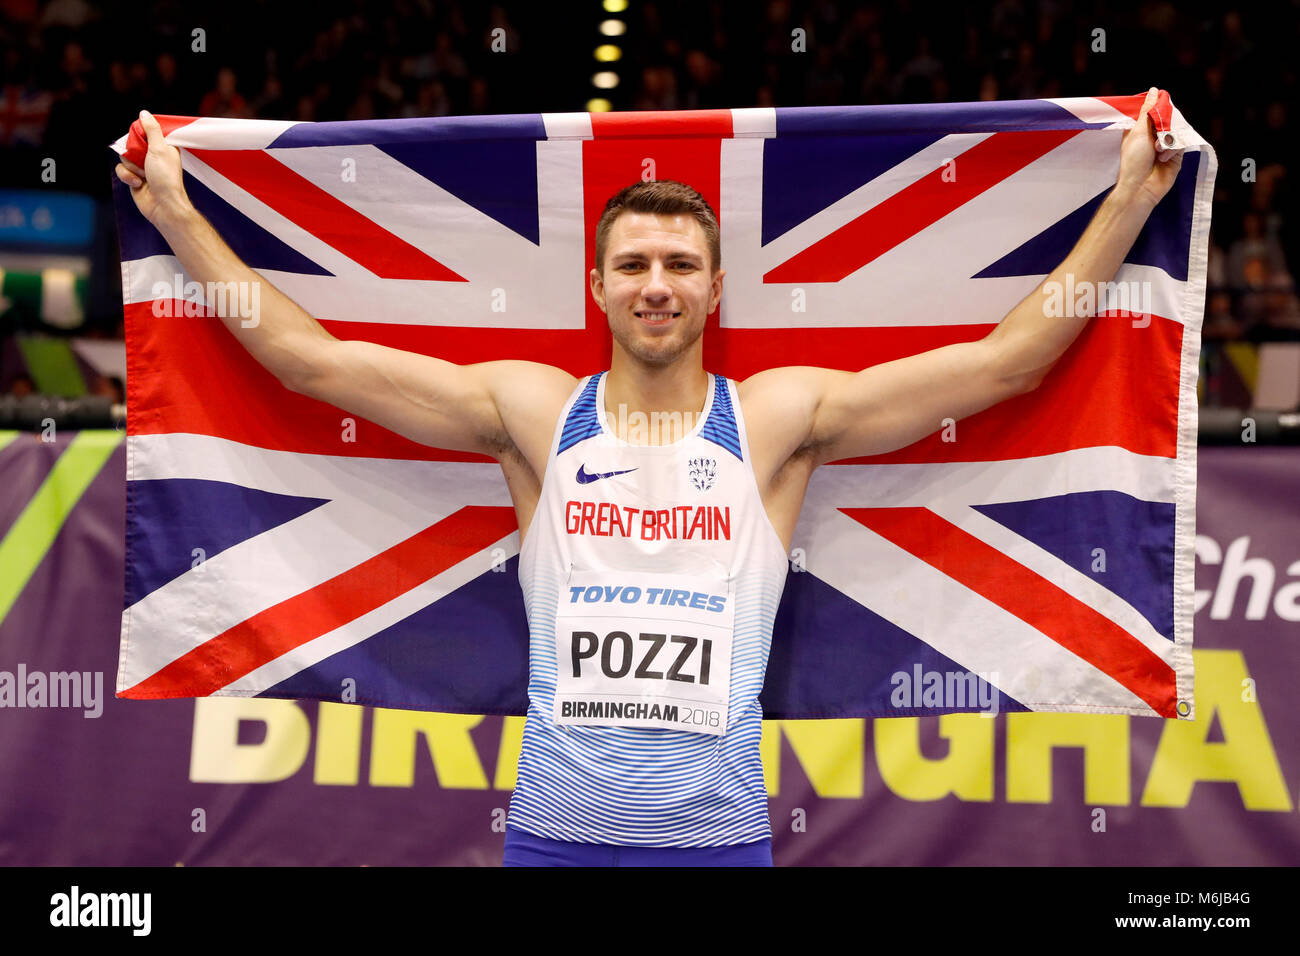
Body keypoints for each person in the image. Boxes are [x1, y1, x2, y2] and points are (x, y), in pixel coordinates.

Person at [116, 89, 1183, 866]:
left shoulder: (773, 420)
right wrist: (172, 212)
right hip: (550, 837)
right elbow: (311, 361)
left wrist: (1129, 199)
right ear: (597, 285)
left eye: (678, 266)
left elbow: (1007, 363)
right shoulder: (536, 412)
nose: (656, 286)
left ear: (715, 288)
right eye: (633, 265)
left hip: (715, 843)